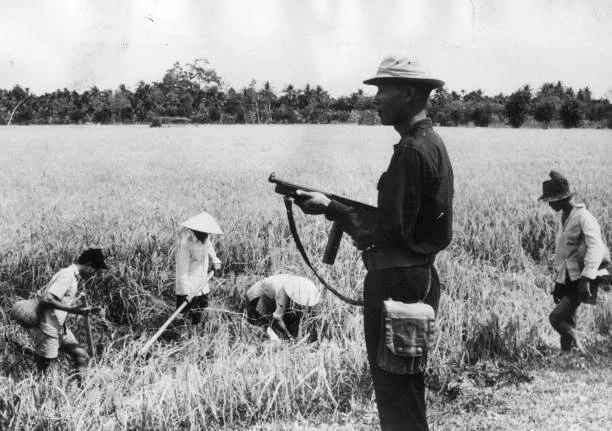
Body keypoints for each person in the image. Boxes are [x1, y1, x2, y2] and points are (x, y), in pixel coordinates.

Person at [295, 56, 453, 431]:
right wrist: (338, 208)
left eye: (383, 89)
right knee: (404, 386)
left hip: (397, 284)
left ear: (410, 93)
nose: (376, 98)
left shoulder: (411, 153)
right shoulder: (428, 144)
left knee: (396, 392)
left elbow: (388, 232)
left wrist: (331, 208)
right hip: (414, 279)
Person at [539, 171, 610, 353]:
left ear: (562, 198)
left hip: (580, 277)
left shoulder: (584, 217)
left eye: (552, 200)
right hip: (568, 277)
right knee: (568, 318)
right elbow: (566, 254)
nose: (550, 204)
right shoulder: (566, 217)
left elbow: (596, 247)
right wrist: (558, 284)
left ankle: (581, 351)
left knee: (556, 318)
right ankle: (567, 356)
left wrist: (586, 279)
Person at [30, 248, 108, 383]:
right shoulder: (67, 275)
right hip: (47, 328)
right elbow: (47, 299)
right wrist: (75, 310)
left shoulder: (73, 278)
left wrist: (87, 309)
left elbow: (61, 300)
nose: (93, 275)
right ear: (88, 265)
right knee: (44, 372)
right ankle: (40, 398)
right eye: (94, 271)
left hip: (60, 328)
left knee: (82, 356)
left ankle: (81, 392)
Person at [175, 212, 223, 326]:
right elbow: (182, 271)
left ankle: (198, 336)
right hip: (189, 287)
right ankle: (185, 338)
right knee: (187, 320)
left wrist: (215, 259)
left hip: (203, 284)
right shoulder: (185, 243)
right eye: (205, 232)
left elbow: (209, 246)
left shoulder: (205, 237)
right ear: (197, 230)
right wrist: (185, 294)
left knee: (200, 316)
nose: (208, 234)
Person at [245, 274, 321, 340]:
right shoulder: (283, 293)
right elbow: (277, 317)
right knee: (268, 325)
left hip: (270, 295)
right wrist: (289, 335)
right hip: (257, 296)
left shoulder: (299, 286)